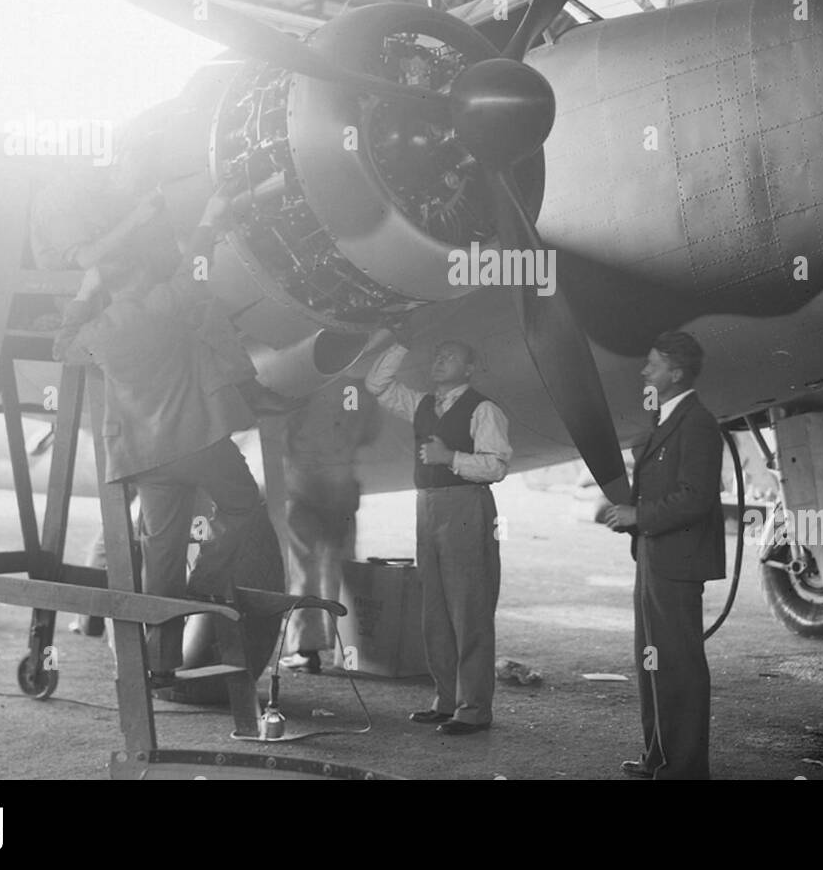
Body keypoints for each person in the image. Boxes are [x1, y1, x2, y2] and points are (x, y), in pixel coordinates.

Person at [53, 188, 265, 679]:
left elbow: (62, 348)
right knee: (242, 504)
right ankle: (207, 584)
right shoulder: (165, 303)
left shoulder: (102, 328)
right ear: (143, 277)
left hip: (146, 458)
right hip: (200, 441)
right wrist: (210, 218)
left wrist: (84, 296)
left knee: (160, 558)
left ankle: (160, 667)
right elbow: (196, 267)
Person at [364, 339, 510, 735]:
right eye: (437, 353)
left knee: (469, 608)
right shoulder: (422, 404)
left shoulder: (484, 409)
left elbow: (497, 467)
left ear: (470, 368)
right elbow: (377, 385)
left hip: (466, 505)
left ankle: (474, 708)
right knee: (436, 609)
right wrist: (402, 343)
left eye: (450, 356)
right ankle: (447, 700)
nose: (439, 358)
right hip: (427, 505)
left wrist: (451, 459)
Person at [606, 330, 724, 780]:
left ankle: (686, 770)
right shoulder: (669, 417)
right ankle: (660, 759)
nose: (643, 372)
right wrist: (634, 518)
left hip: (677, 561)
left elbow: (696, 498)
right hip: (657, 554)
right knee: (653, 660)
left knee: (678, 665)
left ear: (675, 374)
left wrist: (639, 513)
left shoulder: (696, 423)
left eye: (652, 366)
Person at [274, 379, 381, 673]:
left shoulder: (304, 382)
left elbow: (282, 432)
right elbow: (370, 434)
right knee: (341, 568)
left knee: (304, 570)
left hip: (303, 488)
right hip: (341, 490)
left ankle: (306, 650)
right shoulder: (360, 391)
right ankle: (345, 647)